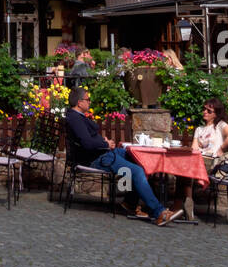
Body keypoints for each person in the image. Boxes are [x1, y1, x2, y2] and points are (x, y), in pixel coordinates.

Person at [64, 86, 180, 226]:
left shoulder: (77, 117)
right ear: (79, 102)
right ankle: (159, 212)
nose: (90, 102)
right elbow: (87, 143)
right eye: (88, 100)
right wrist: (105, 144)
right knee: (136, 171)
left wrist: (104, 142)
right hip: (96, 158)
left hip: (102, 152)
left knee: (138, 158)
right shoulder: (75, 118)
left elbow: (89, 139)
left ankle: (130, 203)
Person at [194, 98, 228, 170]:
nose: (205, 112)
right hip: (200, 163)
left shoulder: (220, 125)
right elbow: (194, 149)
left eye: (209, 111)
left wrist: (221, 149)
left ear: (216, 114)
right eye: (204, 109)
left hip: (213, 165)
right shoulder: (199, 129)